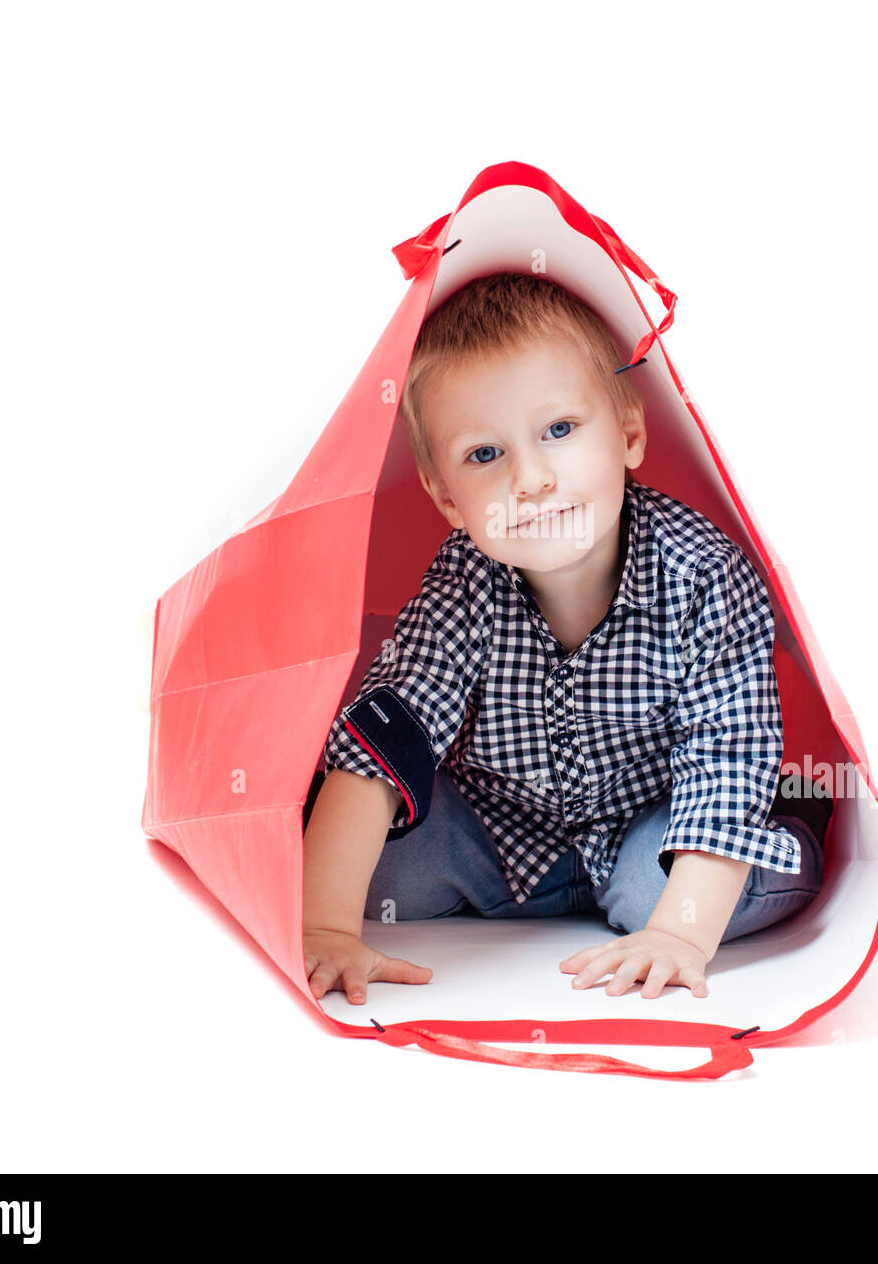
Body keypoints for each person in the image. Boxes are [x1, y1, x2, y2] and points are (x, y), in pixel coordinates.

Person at [302, 272, 831, 1006]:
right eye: (485, 455)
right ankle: (531, 900)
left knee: (669, 895)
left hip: (654, 825)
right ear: (447, 498)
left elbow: (723, 761)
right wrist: (325, 926)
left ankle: (792, 821)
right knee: (384, 872)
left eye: (559, 430)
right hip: (506, 835)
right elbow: (387, 739)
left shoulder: (702, 574)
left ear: (630, 434)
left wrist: (679, 938)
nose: (532, 479)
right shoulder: (462, 584)